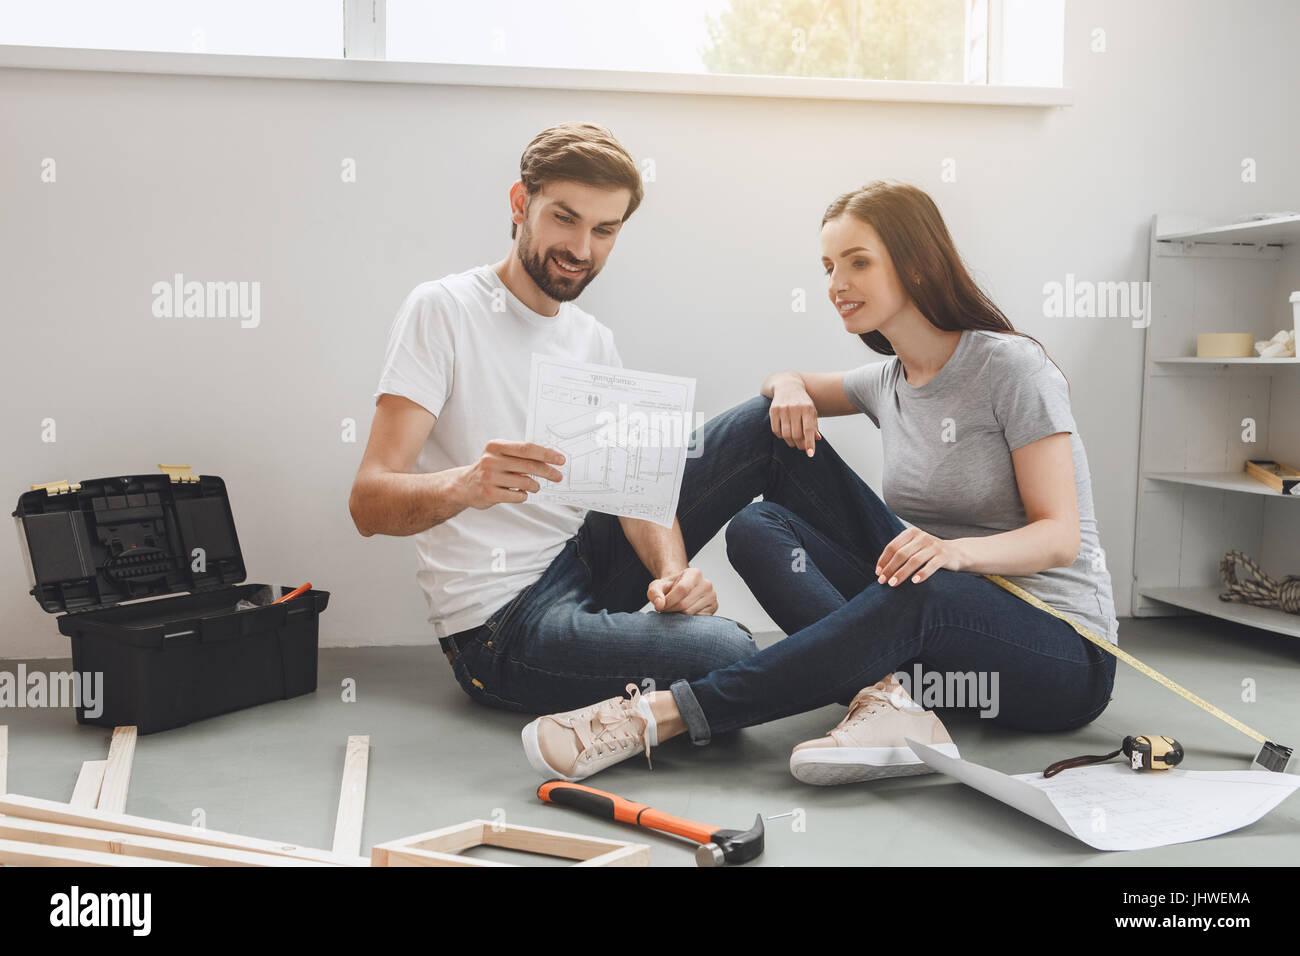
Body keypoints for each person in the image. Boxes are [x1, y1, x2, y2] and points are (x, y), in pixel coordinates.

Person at [522, 180, 1120, 786]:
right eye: (829, 266)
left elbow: (1059, 537)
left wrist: (952, 553)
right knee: (757, 525)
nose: (836, 284)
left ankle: (663, 715)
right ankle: (891, 702)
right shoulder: (887, 380)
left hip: (1059, 652)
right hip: (937, 638)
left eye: (858, 262)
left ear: (915, 265)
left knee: (925, 583)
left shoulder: (1011, 367)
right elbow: (785, 382)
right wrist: (787, 387)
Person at [349, 121, 767, 715]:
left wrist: (674, 574)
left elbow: (633, 496)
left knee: (762, 425)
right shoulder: (442, 310)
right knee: (728, 650)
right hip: (502, 624)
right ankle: (677, 710)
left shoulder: (593, 339)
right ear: (521, 204)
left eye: (604, 230)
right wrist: (466, 484)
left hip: (579, 562)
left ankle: (892, 648)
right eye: (564, 219)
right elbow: (367, 503)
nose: (582, 250)